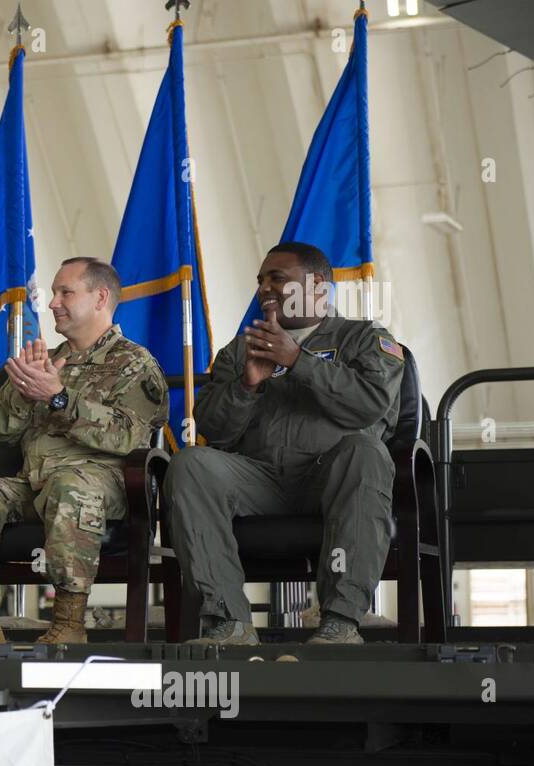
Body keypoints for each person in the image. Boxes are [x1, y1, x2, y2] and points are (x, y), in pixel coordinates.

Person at [164, 242, 406, 646]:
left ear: (319, 288)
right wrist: (247, 385)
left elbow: (370, 407)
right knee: (191, 464)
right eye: (260, 280)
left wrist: (299, 362)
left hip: (332, 478)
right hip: (261, 480)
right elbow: (213, 429)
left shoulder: (364, 338)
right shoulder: (241, 348)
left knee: (366, 452)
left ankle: (340, 622)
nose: (264, 288)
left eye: (278, 278)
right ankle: (230, 623)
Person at [0, 257, 169, 644]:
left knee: (68, 485)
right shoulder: (45, 361)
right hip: (32, 483)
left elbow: (128, 435)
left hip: (101, 487)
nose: (53, 302)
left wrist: (59, 398)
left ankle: (68, 624)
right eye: (54, 293)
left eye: (66, 292)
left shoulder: (134, 363)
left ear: (100, 298)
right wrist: (25, 397)